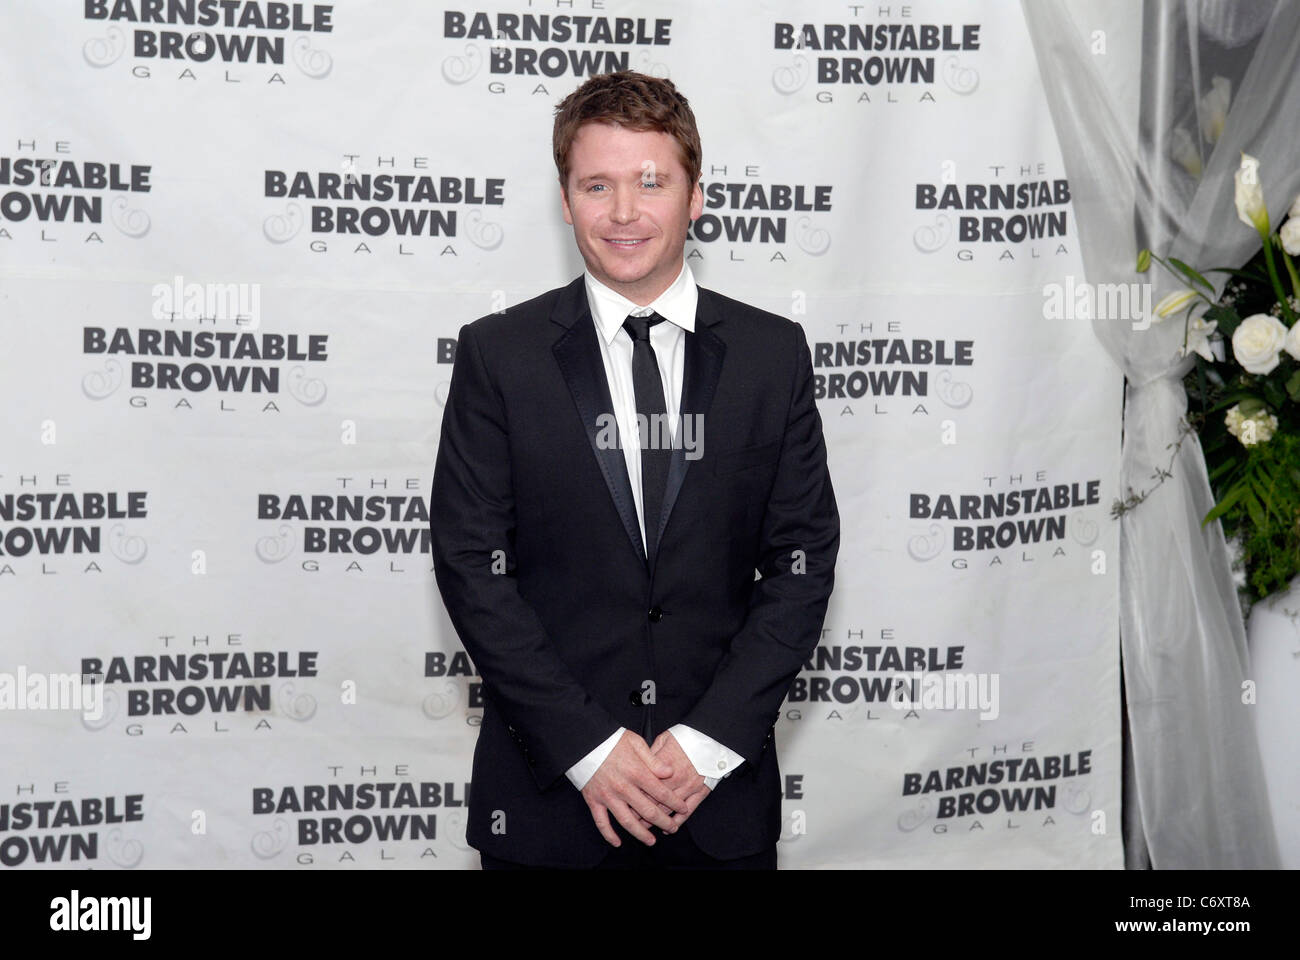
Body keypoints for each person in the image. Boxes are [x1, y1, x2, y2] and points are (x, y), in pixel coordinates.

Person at [430, 70, 839, 869]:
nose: (623, 212)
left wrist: (708, 743)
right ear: (565, 198)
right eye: (597, 184)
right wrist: (588, 746)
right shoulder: (498, 355)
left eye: (650, 182)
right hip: (550, 806)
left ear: (694, 196)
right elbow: (472, 567)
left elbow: (802, 565)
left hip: (717, 804)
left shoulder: (772, 355)